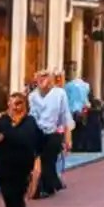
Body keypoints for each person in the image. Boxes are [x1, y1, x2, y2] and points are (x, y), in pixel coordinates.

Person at [28, 70, 73, 198]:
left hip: (53, 132)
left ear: (51, 79)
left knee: (48, 160)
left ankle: (47, 186)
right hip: (37, 133)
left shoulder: (60, 94)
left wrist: (68, 137)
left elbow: (65, 115)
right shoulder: (32, 96)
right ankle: (43, 187)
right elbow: (31, 116)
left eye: (45, 76)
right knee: (37, 162)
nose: (42, 79)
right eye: (39, 77)